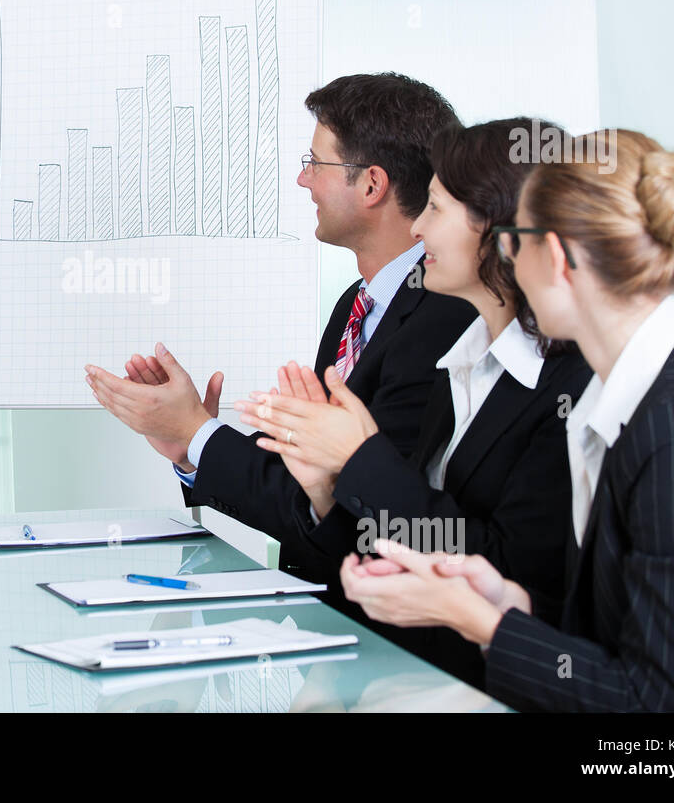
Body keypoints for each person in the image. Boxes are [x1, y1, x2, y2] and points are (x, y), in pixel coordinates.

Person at [338, 129, 674, 711]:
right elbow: (616, 639)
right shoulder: (630, 401)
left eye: (516, 241)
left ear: (557, 256)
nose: (506, 258)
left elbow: (656, 707)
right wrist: (502, 601)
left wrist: (481, 624)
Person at [231, 118, 593, 687]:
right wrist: (327, 488)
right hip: (411, 672)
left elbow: (506, 571)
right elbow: (418, 535)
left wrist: (359, 458)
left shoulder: (570, 387)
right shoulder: (466, 361)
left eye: (436, 210)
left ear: (497, 231)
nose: (417, 227)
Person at [85, 73, 475, 579]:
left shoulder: (442, 316)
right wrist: (190, 446)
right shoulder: (354, 307)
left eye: (315, 163)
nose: (302, 179)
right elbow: (309, 495)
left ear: (372, 185)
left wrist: (198, 433)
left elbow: (363, 509)